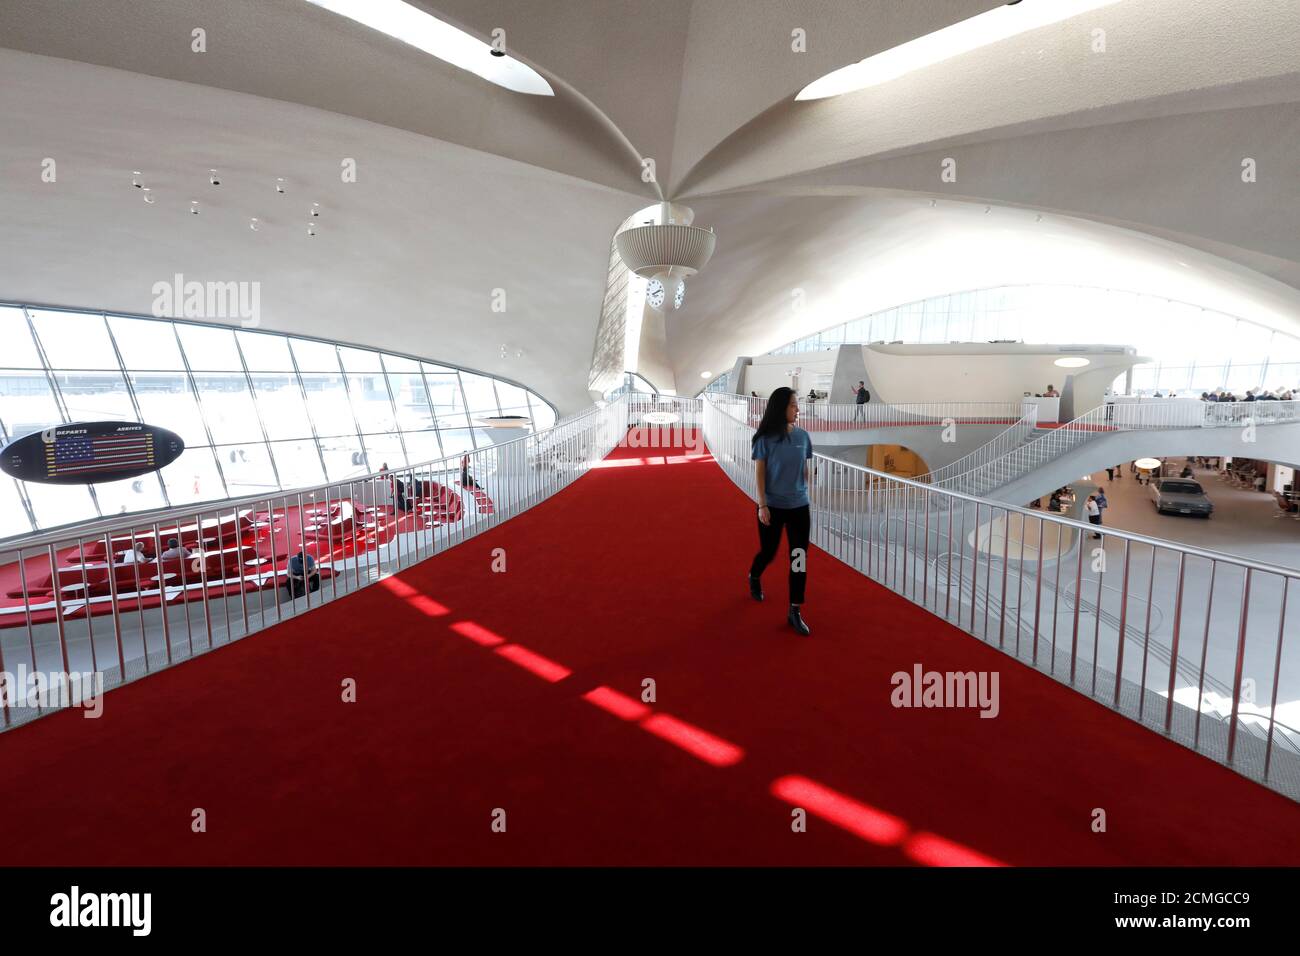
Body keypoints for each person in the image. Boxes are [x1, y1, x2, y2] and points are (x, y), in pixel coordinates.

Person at [749, 387, 813, 636]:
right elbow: (760, 472)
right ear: (780, 408)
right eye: (793, 405)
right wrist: (762, 504)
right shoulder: (764, 439)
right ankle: (754, 575)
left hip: (799, 507)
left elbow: (804, 470)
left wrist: (806, 486)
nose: (798, 409)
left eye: (797, 405)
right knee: (769, 552)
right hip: (772, 507)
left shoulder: (803, 437)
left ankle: (795, 610)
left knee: (799, 558)